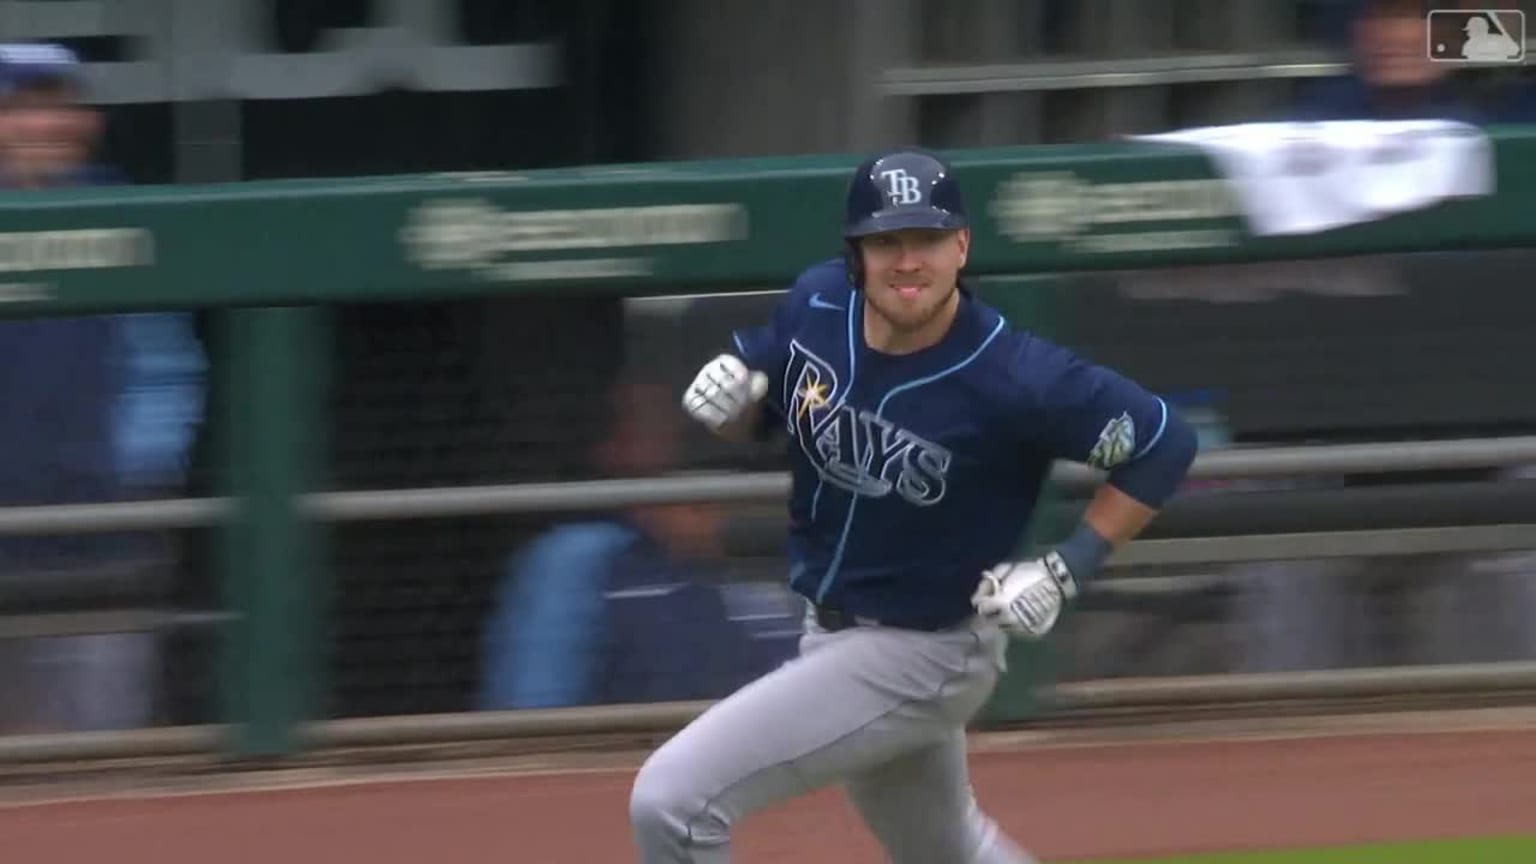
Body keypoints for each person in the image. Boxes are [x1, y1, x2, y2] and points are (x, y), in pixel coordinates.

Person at [627, 149, 1198, 863]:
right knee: (945, 851)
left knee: (673, 804)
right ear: (856, 253)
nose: (907, 262)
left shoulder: (1014, 374)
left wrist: (1066, 567)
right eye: (886, 241)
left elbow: (1164, 443)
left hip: (924, 650)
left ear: (961, 246)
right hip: (831, 626)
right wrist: (733, 404)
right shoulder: (818, 304)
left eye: (927, 239)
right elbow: (765, 408)